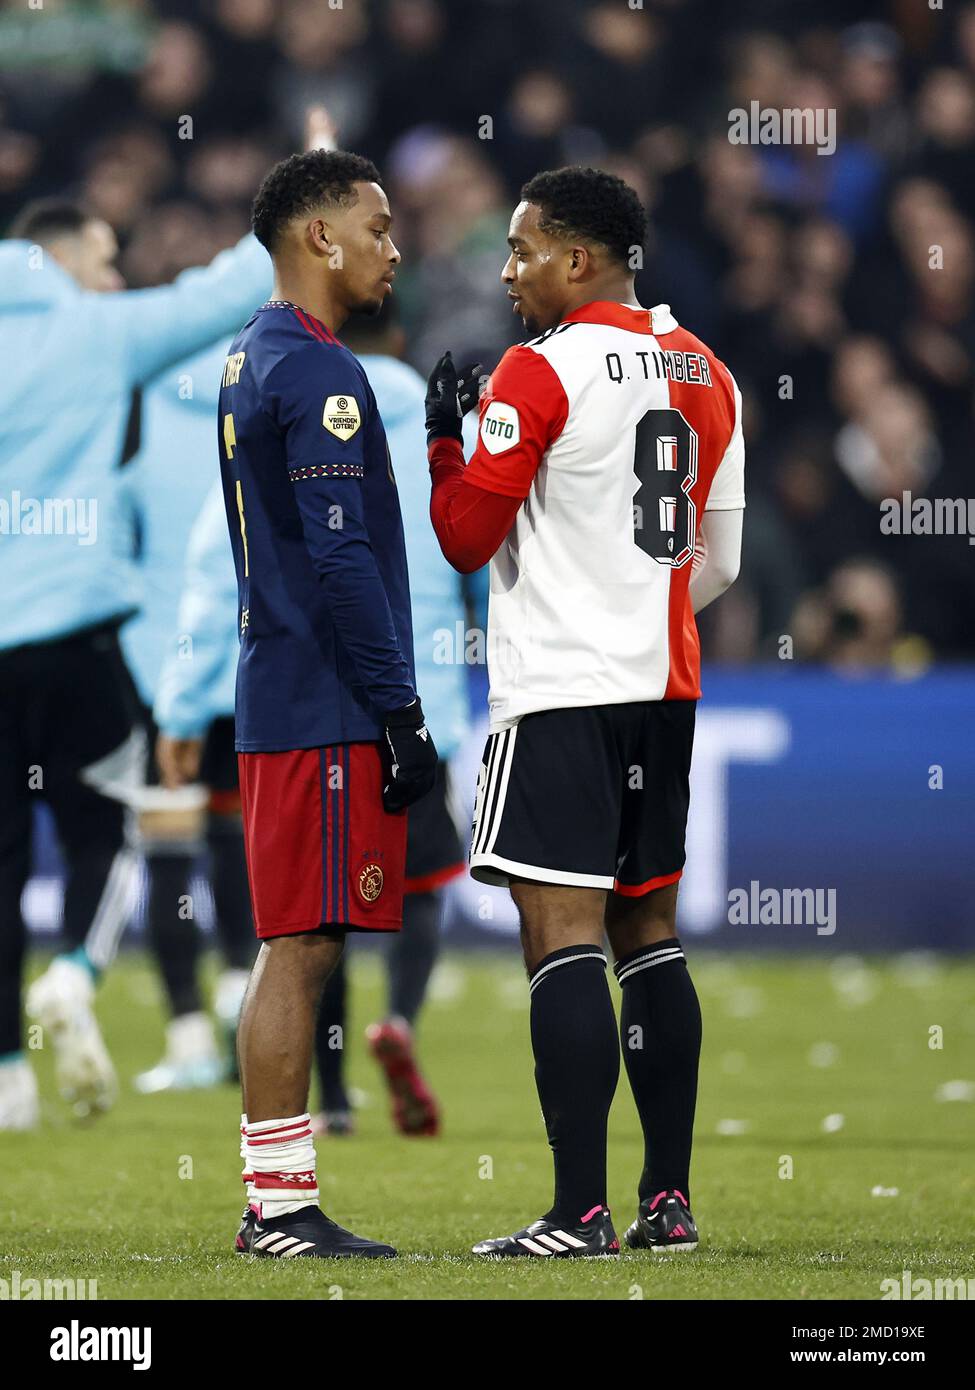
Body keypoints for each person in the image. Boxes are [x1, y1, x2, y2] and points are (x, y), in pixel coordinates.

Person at [425, 166, 745, 1257]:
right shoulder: (708, 367)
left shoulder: (541, 367)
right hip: (664, 690)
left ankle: (577, 1211)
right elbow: (721, 558)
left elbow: (467, 534)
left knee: (561, 938)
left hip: (561, 688)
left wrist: (441, 448)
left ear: (580, 257)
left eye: (521, 251)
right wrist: (636, 601)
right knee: (649, 938)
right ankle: (668, 1202)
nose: (507, 272)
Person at [0, 198, 270, 1128]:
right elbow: (225, 290)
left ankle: (6, 1079)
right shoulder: (96, 334)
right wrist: (312, 182)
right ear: (65, 256)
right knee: (109, 830)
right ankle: (73, 969)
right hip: (77, 637)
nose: (113, 277)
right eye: (105, 258)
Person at [223, 149, 438, 1260]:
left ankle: (277, 1199)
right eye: (380, 226)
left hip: (281, 686)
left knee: (296, 939)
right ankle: (279, 1207)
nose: (392, 248)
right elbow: (344, 559)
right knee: (301, 944)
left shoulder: (249, 357)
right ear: (321, 236)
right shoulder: (320, 373)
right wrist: (399, 708)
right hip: (323, 697)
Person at [312, 305, 475, 1139]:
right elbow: (482, 544)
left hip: (331, 705)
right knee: (420, 890)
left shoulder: (302, 404)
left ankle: (332, 1093)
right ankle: (402, 1020)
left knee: (327, 906)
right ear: (405, 339)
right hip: (427, 702)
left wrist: (191, 694)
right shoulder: (443, 423)